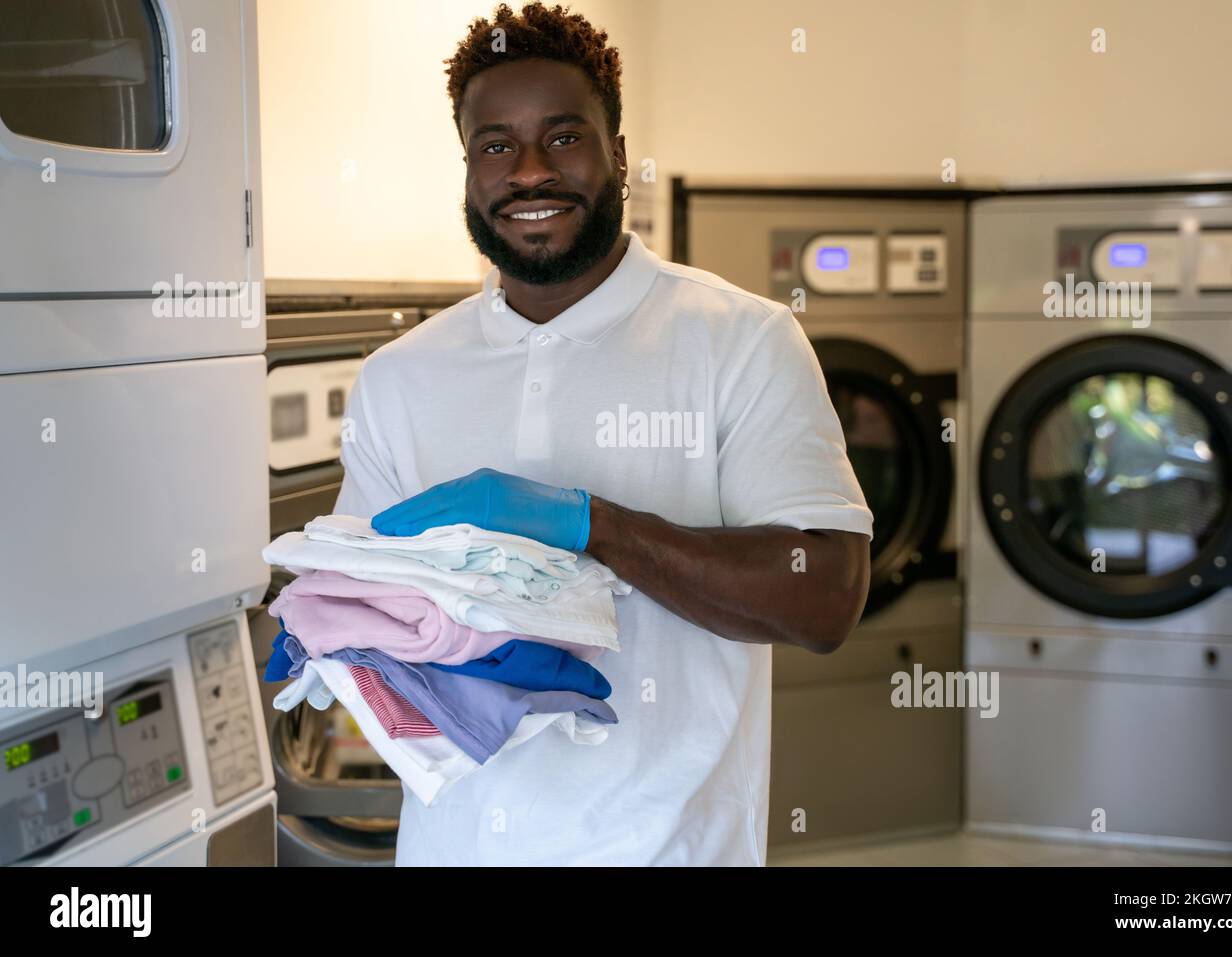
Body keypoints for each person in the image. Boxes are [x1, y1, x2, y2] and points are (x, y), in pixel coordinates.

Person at [334, 1, 873, 866]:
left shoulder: (740, 340)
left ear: (619, 154)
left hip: (670, 848)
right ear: (469, 168)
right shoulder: (400, 376)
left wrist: (595, 526)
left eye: (564, 136)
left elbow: (827, 597)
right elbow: (373, 612)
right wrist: (336, 623)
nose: (530, 171)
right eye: (496, 146)